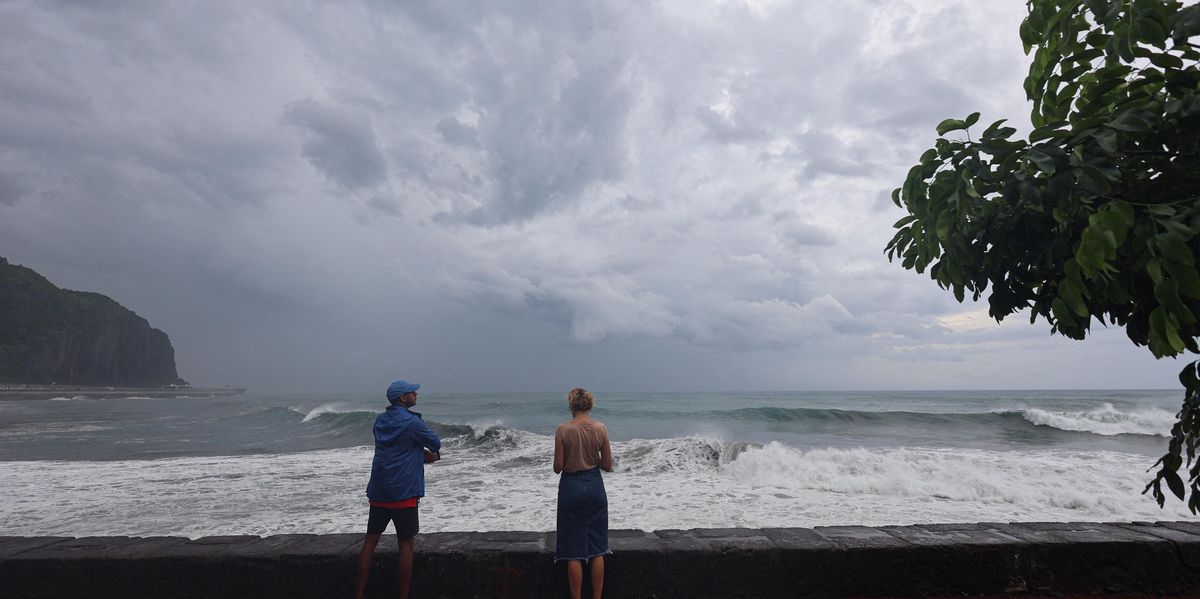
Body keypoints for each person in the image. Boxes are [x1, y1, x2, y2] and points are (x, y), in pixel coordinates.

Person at [355, 379, 441, 599]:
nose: (416, 395)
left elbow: (395, 448)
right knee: (405, 545)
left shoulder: (380, 420)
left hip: (379, 489)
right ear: (403, 397)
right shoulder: (412, 423)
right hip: (404, 492)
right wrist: (426, 454)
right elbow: (435, 443)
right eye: (413, 392)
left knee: (370, 542)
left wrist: (416, 452)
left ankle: (358, 594)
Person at [553, 387, 614, 599]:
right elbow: (607, 465)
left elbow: (558, 467)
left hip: (571, 488)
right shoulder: (600, 428)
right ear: (589, 405)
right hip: (595, 486)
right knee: (598, 547)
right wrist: (594, 459)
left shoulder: (563, 429)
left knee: (573, 550)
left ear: (571, 405)